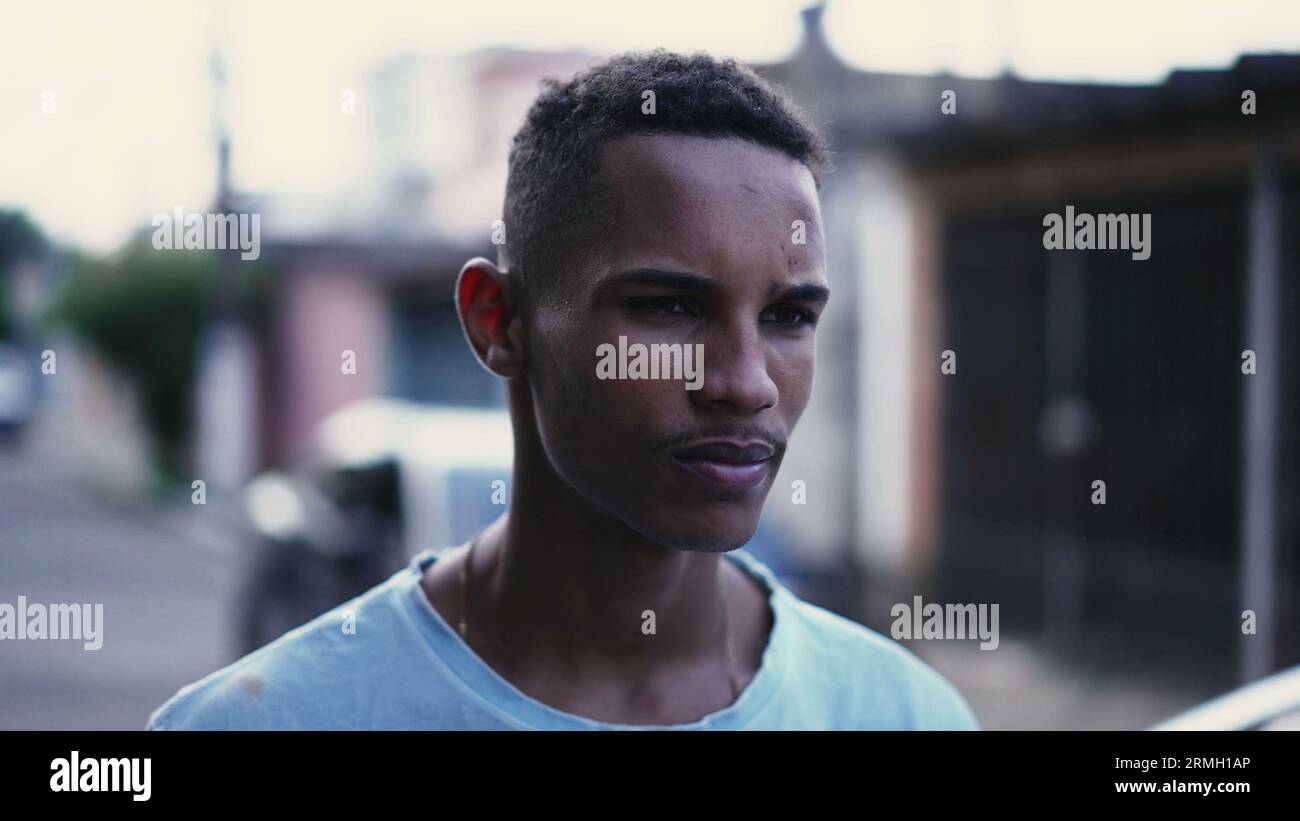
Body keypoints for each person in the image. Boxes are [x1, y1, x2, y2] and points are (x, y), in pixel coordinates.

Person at [147, 49, 979, 730]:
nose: (745, 382)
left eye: (789, 314)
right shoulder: (272, 720)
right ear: (499, 321)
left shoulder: (901, 714)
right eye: (668, 307)